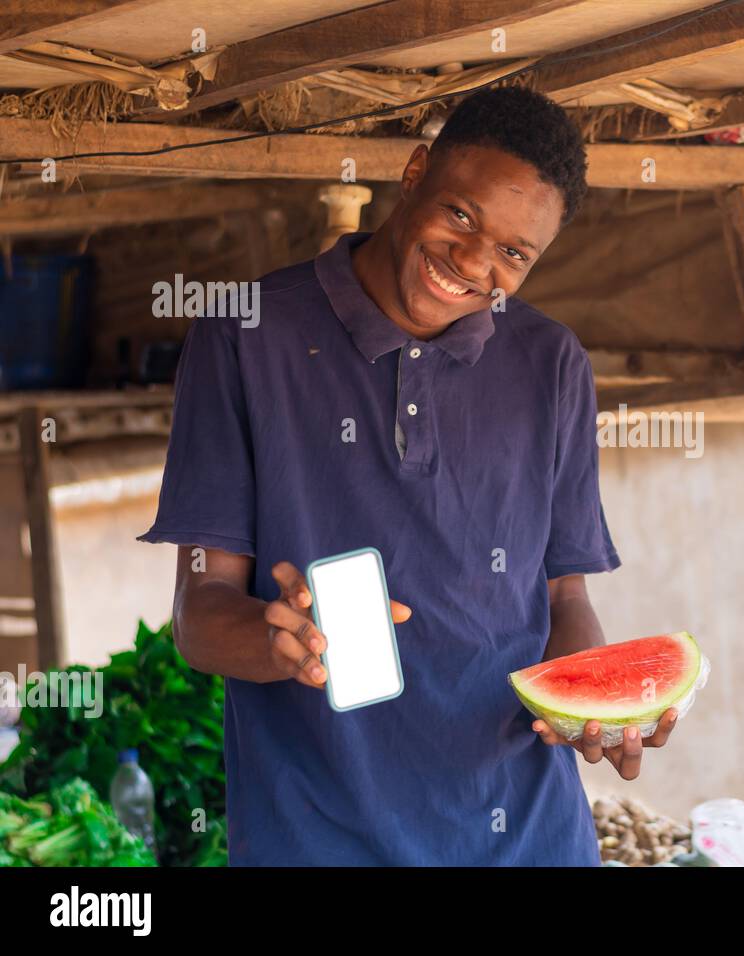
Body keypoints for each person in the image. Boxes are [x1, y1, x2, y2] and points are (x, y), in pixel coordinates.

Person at [139, 85, 675, 865]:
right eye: (462, 214)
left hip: (529, 836)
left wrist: (597, 702)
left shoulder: (551, 363)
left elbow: (565, 595)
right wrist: (278, 639)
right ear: (415, 171)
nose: (473, 262)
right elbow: (200, 613)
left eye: (514, 253)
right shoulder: (246, 332)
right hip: (317, 839)